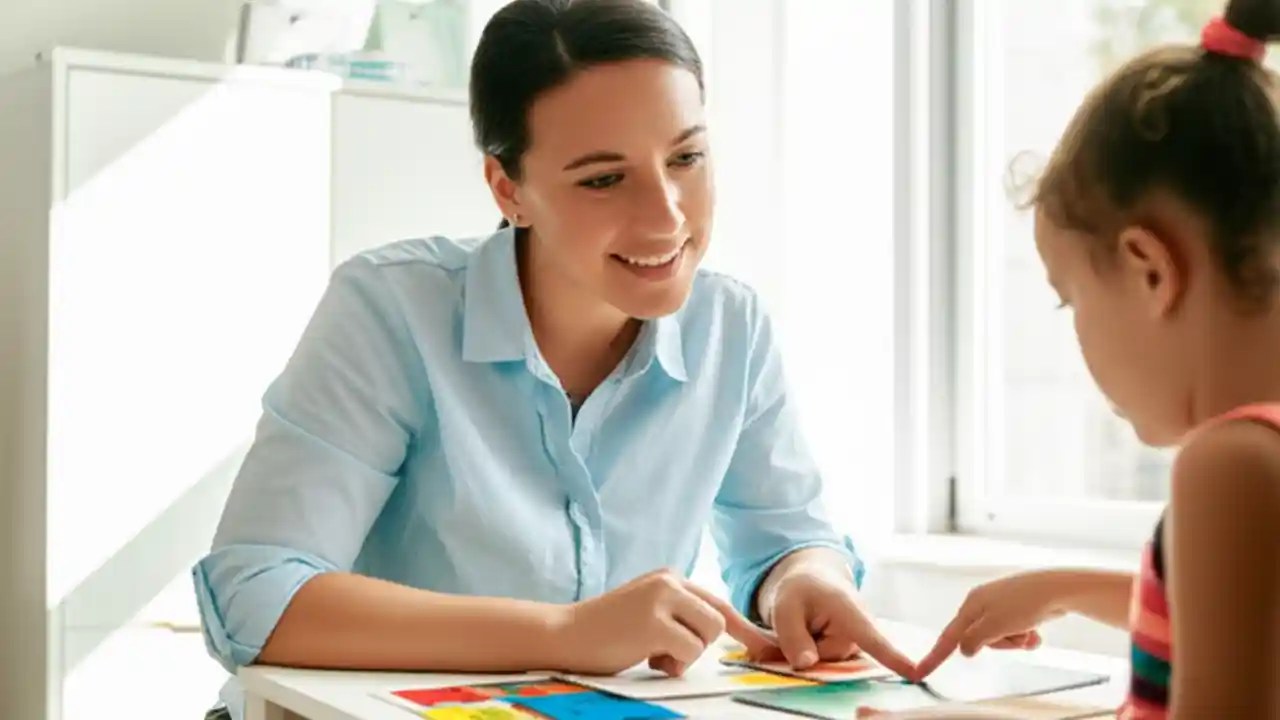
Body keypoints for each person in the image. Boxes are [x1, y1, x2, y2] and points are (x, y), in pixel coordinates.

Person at [193, 1, 916, 718]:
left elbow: (789, 539)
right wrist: (567, 634)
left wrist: (805, 582)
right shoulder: (391, 311)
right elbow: (257, 595)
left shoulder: (731, 326)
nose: (667, 216)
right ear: (509, 189)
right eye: (604, 178)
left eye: (687, 157)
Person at [890, 2, 1280, 719]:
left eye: (1069, 301)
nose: (1078, 338)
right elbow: (1246, 618)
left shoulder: (1231, 466)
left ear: (1148, 270)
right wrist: (1062, 586)